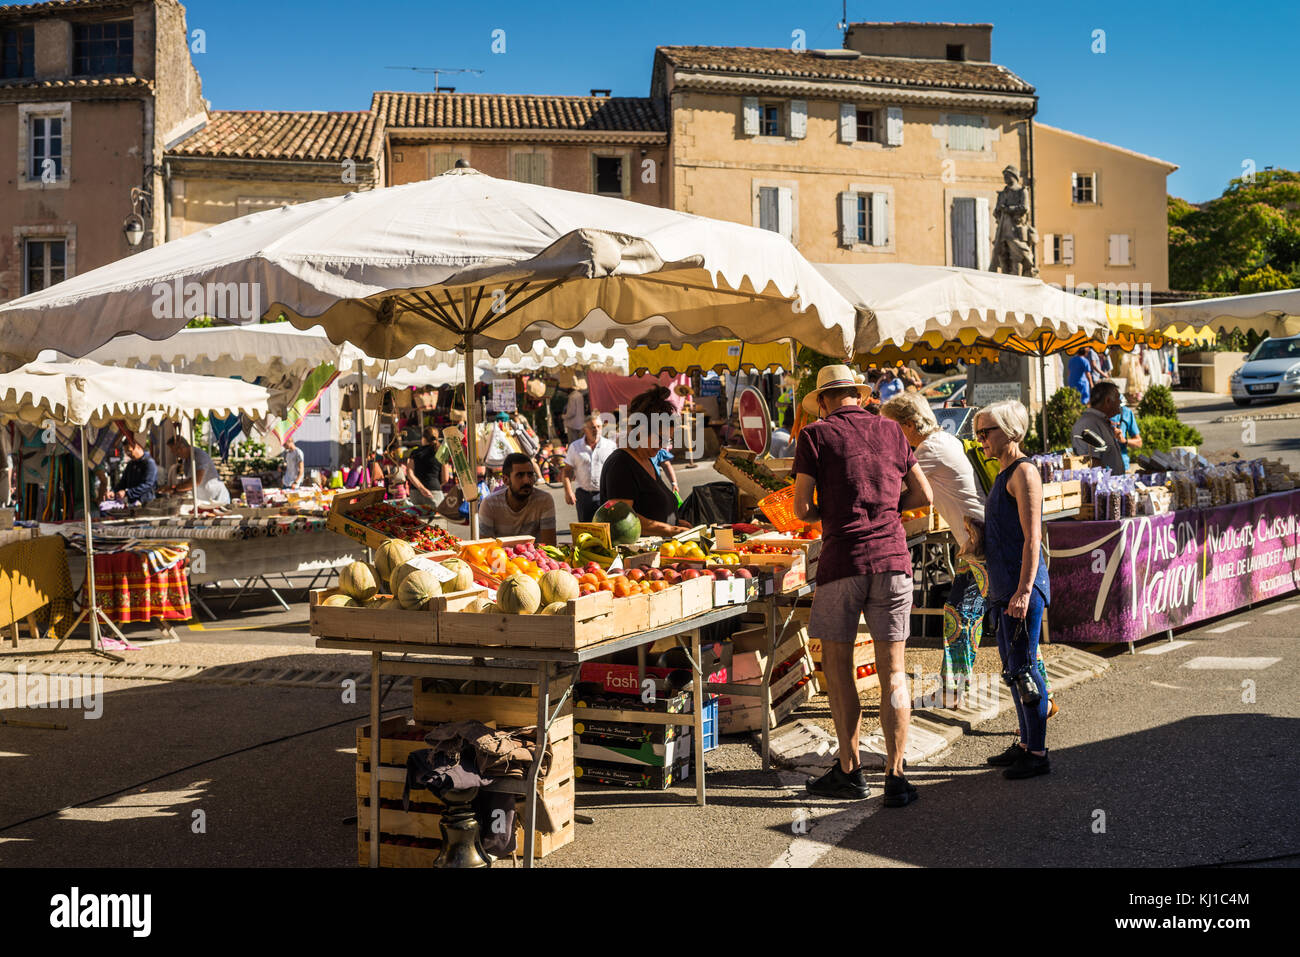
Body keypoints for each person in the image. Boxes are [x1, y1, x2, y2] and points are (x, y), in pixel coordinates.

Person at [792, 366, 932, 805]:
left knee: (838, 668)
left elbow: (800, 508)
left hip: (842, 562)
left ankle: (850, 769)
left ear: (824, 401)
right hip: (893, 559)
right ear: (859, 394)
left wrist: (831, 514)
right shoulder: (892, 430)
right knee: (893, 669)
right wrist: (886, 507)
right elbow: (923, 495)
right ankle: (896, 775)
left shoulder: (815, 435)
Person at [880, 393, 987, 706]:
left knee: (961, 614)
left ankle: (952, 693)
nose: (889, 436)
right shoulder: (944, 441)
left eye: (891, 428)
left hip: (982, 543)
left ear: (910, 425)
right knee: (969, 614)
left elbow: (896, 487)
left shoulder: (929, 450)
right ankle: (955, 690)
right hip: (978, 540)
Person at [974, 399, 1052, 779]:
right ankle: (1025, 742)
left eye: (986, 431)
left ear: (1010, 431)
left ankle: (1037, 753)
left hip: (1022, 586)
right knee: (1012, 667)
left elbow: (1032, 537)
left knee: (1023, 668)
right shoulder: (1003, 473)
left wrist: (1023, 591)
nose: (980, 440)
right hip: (1004, 586)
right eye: (978, 433)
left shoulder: (1024, 473)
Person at [599, 386, 690, 537]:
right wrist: (671, 530)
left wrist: (676, 523)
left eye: (668, 440)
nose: (662, 446)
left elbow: (651, 509)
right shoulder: (621, 465)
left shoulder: (647, 460)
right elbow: (622, 520)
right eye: (660, 438)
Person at [478, 452, 557, 546]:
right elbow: (485, 547)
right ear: (506, 480)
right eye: (520, 475)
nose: (527, 481)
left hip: (536, 558)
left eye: (530, 475)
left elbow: (549, 546)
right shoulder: (489, 504)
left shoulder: (544, 500)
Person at [562, 412, 616, 523]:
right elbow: (567, 471)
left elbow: (617, 472)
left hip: (605, 496)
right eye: (592, 427)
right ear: (585, 429)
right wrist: (568, 491)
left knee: (607, 530)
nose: (595, 430)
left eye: (598, 427)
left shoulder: (610, 446)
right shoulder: (575, 447)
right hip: (584, 496)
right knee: (586, 530)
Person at [1071, 381, 1126, 475]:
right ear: (1108, 401)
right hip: (1104, 487)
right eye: (1118, 398)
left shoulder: (1099, 422)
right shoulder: (1088, 424)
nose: (1120, 402)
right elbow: (1092, 463)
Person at [166, 436, 230, 506]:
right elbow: (189, 480)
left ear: (181, 448)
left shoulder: (199, 456)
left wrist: (174, 488)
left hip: (217, 498)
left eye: (174, 451)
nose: (174, 454)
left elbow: (196, 481)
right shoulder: (186, 460)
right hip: (205, 500)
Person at [406, 427, 446, 507]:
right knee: (438, 518)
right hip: (434, 492)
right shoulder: (442, 452)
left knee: (417, 518)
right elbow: (445, 478)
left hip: (415, 492)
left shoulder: (415, 452)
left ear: (423, 438)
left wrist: (422, 489)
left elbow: (409, 473)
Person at [112, 437, 159, 506]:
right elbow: (123, 483)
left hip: (147, 504)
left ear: (138, 447)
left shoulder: (149, 463)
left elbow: (148, 484)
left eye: (129, 451)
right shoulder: (131, 464)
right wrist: (113, 492)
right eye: (126, 452)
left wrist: (127, 493)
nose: (128, 454)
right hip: (133, 504)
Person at [1111, 396, 1143, 471]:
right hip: (1100, 468)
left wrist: (1124, 441)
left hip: (1122, 466)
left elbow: (1139, 442)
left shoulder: (1126, 412)